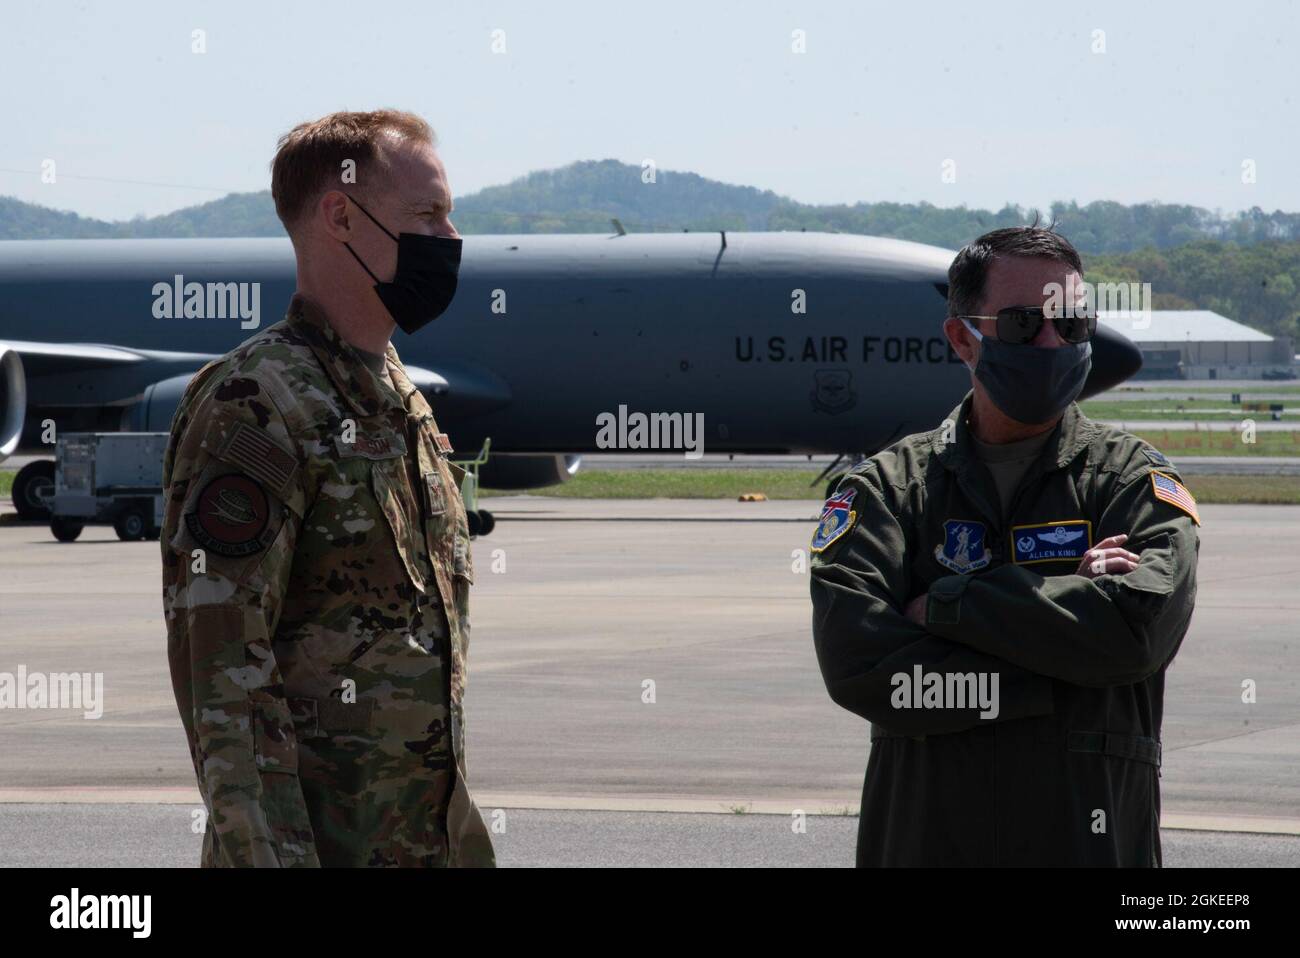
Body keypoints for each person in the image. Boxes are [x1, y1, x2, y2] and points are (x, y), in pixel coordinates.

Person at [161, 109, 494, 867]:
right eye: (427, 214)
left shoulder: (399, 398)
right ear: (341, 214)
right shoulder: (259, 402)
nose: (448, 240)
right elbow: (225, 678)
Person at [809, 226, 1200, 866]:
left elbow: (1138, 630)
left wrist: (947, 607)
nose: (1052, 342)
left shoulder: (1131, 482)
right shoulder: (887, 491)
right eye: (1023, 325)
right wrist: (1057, 661)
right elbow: (858, 660)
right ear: (964, 338)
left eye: (1071, 325)